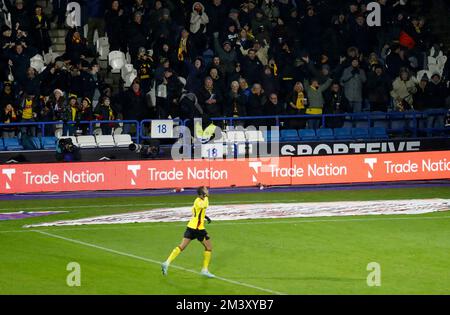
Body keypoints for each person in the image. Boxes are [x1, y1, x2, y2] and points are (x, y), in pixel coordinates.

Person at [161, 186, 214, 278]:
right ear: (202, 194)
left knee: (182, 246)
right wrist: (206, 197)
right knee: (209, 247)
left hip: (190, 226)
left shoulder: (197, 201)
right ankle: (204, 270)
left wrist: (206, 217)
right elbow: (204, 205)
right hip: (198, 229)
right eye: (206, 191)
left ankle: (166, 262)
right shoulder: (202, 201)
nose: (208, 192)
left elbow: (197, 212)